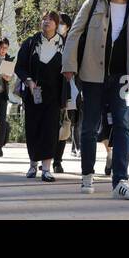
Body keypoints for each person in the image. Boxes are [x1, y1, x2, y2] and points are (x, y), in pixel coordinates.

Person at [62, 0, 129, 201]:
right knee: (89, 126)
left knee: (123, 126)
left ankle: (120, 181)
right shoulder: (92, 4)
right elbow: (74, 33)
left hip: (123, 78)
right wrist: (69, 65)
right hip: (92, 74)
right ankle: (87, 175)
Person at [15, 11, 66, 182]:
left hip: (54, 96)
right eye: (44, 18)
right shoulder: (31, 42)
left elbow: (72, 66)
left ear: (57, 23)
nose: (47, 22)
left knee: (50, 130)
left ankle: (46, 168)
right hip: (33, 94)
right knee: (33, 128)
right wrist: (29, 81)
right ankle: (32, 164)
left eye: (51, 19)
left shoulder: (64, 43)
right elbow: (19, 66)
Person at [53, 15, 77, 174]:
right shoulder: (50, 40)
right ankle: (48, 157)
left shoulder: (73, 41)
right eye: (58, 23)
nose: (60, 26)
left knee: (65, 124)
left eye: (62, 23)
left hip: (69, 88)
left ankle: (57, 160)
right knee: (51, 126)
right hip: (53, 88)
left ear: (68, 26)